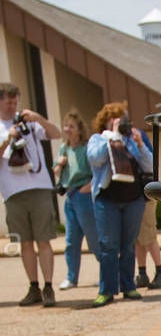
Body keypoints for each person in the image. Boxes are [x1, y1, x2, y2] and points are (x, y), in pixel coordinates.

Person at [86, 100, 153, 307]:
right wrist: (113, 136)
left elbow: (149, 165)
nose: (121, 123)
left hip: (133, 200)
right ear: (106, 121)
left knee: (128, 246)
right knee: (108, 246)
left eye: (123, 119)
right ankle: (106, 290)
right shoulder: (98, 139)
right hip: (107, 200)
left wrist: (140, 145)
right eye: (116, 119)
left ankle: (128, 286)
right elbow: (95, 159)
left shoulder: (132, 141)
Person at [0, 83, 61, 307]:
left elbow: (55, 133)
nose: (13, 106)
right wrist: (8, 137)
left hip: (40, 187)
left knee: (43, 240)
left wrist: (39, 119)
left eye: (15, 101)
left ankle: (48, 287)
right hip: (13, 193)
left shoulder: (27, 122)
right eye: (9, 102)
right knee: (25, 243)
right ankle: (33, 287)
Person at [53, 109, 100, 290]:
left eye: (71, 126)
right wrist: (60, 163)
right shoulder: (64, 149)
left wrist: (86, 189)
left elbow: (96, 172)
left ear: (79, 129)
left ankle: (108, 274)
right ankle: (71, 278)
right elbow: (56, 172)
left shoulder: (86, 148)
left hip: (84, 196)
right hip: (70, 196)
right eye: (66, 126)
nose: (67, 129)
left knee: (93, 238)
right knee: (71, 240)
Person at [134, 200, 161, 289]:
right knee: (138, 239)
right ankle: (142, 274)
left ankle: (160, 273)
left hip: (147, 199)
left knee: (150, 237)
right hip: (136, 199)